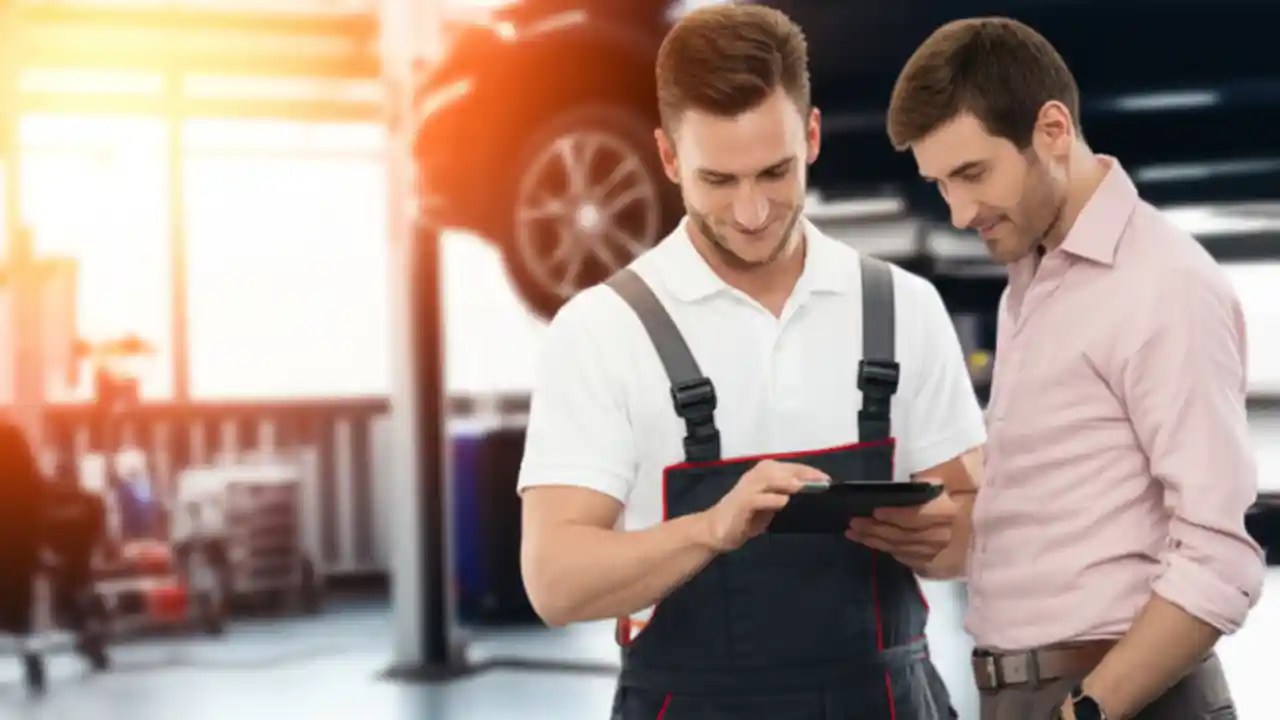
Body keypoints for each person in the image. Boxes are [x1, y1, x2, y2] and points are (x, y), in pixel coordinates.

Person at [516, 5, 987, 718]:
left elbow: (976, 529)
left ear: (814, 136)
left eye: (775, 172)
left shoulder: (902, 309)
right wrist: (712, 528)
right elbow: (554, 582)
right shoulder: (602, 331)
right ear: (669, 158)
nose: (751, 212)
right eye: (718, 181)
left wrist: (942, 537)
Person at [883, 17, 1267, 720]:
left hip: (1125, 700)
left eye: (973, 173)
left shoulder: (1163, 284)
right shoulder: (1031, 279)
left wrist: (1086, 710)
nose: (960, 211)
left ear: (1053, 130)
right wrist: (946, 535)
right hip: (1027, 694)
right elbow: (1072, 515)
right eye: (940, 184)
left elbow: (1221, 557)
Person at [0, 418, 49, 694]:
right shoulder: (27, 478)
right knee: (22, 612)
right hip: (20, 550)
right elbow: (38, 511)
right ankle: (32, 662)